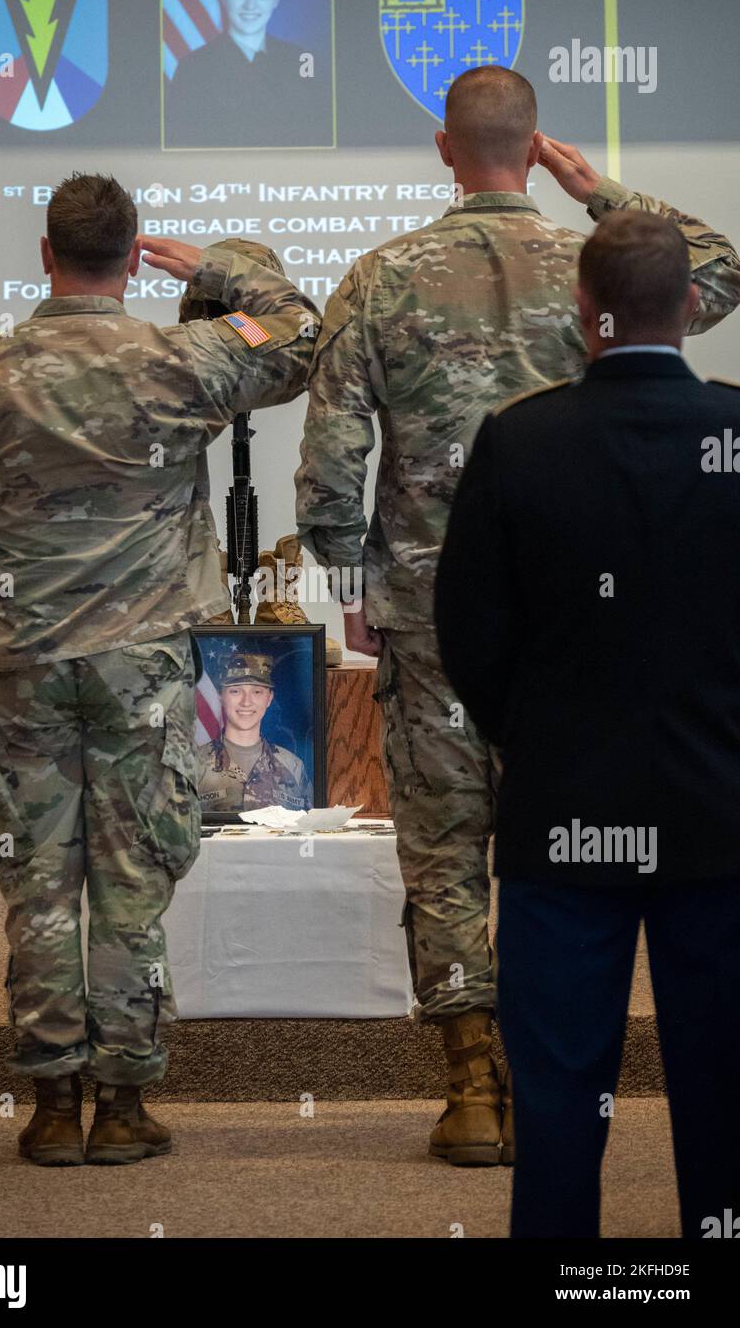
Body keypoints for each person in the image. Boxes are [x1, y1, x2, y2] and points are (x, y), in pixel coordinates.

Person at [294, 64, 740, 1167]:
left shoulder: (380, 276)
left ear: (445, 149)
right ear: (535, 146)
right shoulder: (590, 266)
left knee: (443, 850)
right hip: (579, 623)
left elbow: (331, 456)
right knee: (569, 852)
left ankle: (473, 1088)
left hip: (433, 611)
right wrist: (599, 193)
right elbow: (719, 271)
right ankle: (582, 1072)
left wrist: (351, 584)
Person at [0, 173, 319, 1166]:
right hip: (142, 671)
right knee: (131, 884)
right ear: (132, 260)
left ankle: (49, 1103)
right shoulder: (184, 358)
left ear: (45, 255)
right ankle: (123, 1102)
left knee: (39, 886)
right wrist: (216, 268)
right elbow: (298, 331)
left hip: (23, 668)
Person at [434, 209, 740, 1237]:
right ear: (693, 308)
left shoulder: (519, 440)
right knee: (725, 1092)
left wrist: (535, 737)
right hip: (723, 819)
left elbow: (468, 632)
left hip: (564, 817)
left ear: (582, 308)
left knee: (561, 1099)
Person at [165, 0, 331, 149]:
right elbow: (182, 143)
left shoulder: (299, 60)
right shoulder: (193, 68)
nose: (250, 5)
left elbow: (315, 133)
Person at [197, 651, 311, 812]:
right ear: (221, 697)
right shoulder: (192, 765)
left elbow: (309, 831)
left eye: (257, 692)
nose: (246, 702)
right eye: (235, 691)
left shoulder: (293, 766)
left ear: (269, 698)